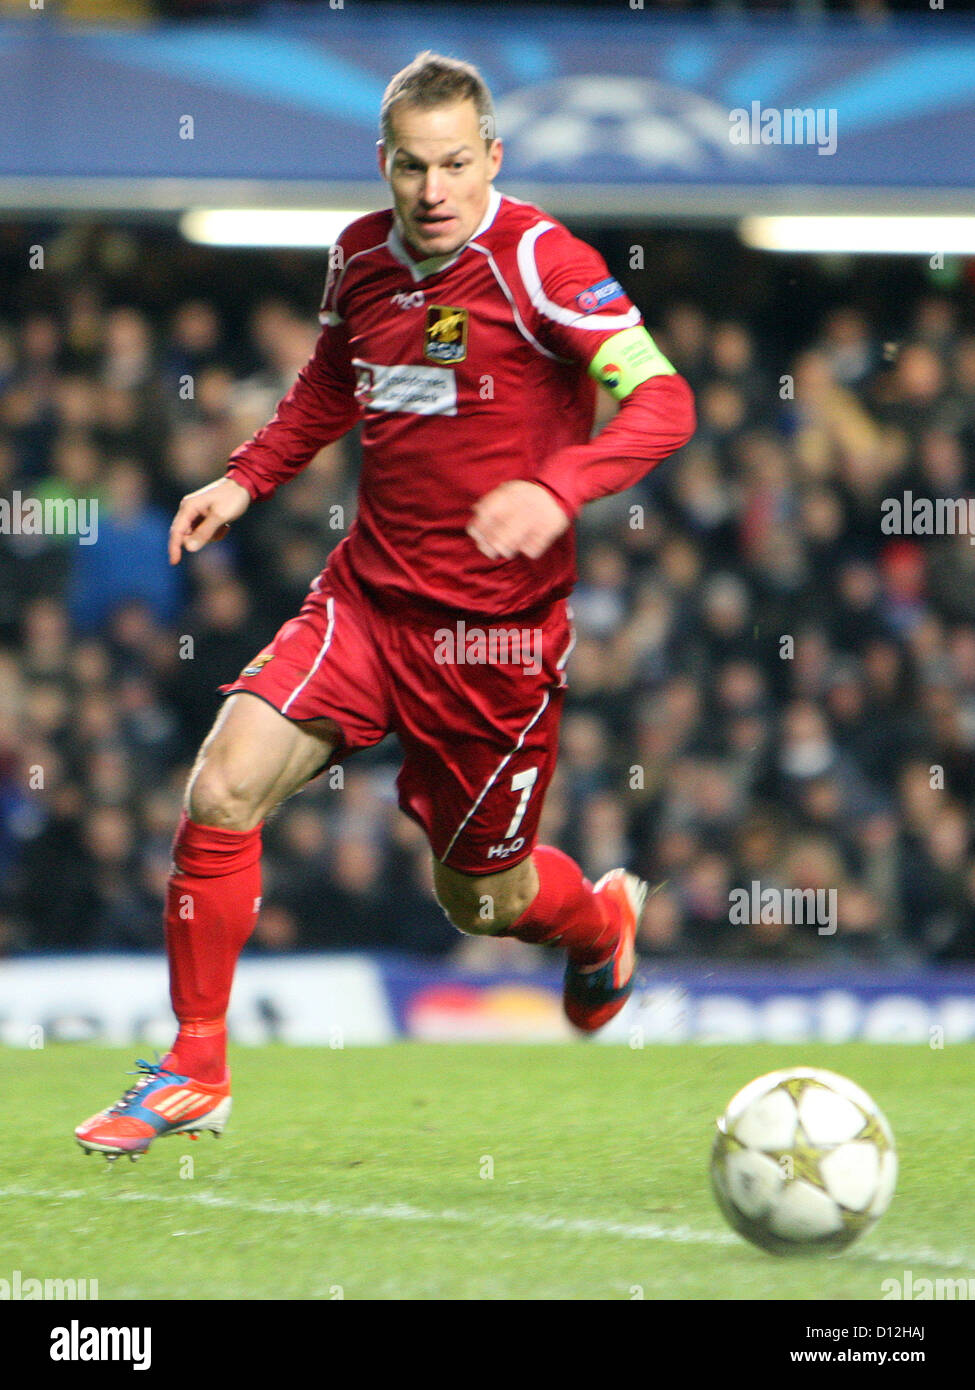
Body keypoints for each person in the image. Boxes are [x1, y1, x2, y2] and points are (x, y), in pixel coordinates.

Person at [75, 52, 695, 1159]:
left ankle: (600, 920)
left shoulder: (542, 260)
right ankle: (196, 1065)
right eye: (412, 166)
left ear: (492, 158)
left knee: (482, 903)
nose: (433, 190)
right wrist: (244, 477)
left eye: (456, 164)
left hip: (494, 644)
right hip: (366, 602)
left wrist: (559, 488)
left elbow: (661, 399)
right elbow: (332, 381)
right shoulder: (361, 254)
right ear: (385, 163)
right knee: (221, 783)